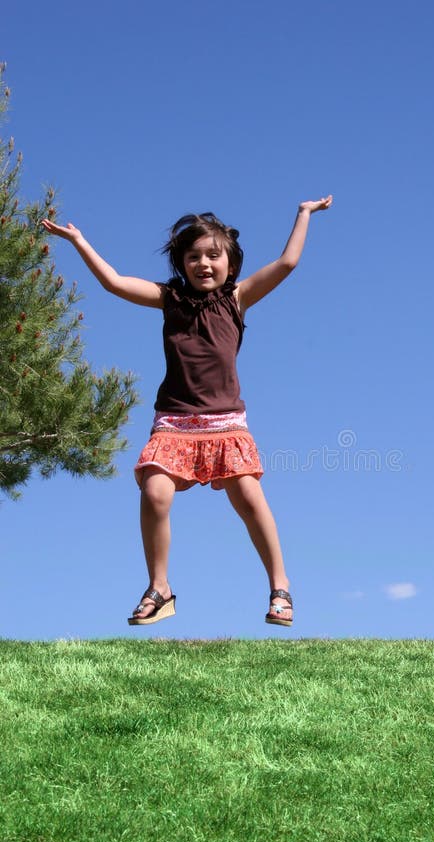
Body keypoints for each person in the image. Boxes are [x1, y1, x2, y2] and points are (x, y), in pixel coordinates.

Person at [42, 196, 333, 628]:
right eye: (193, 257)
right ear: (181, 264)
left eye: (213, 256)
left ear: (230, 264)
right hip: (174, 422)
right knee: (155, 492)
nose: (203, 264)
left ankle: (280, 585)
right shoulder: (170, 299)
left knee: (250, 498)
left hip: (224, 421)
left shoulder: (237, 298)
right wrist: (79, 241)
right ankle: (158, 589)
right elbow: (115, 283)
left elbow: (287, 263)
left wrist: (303, 214)